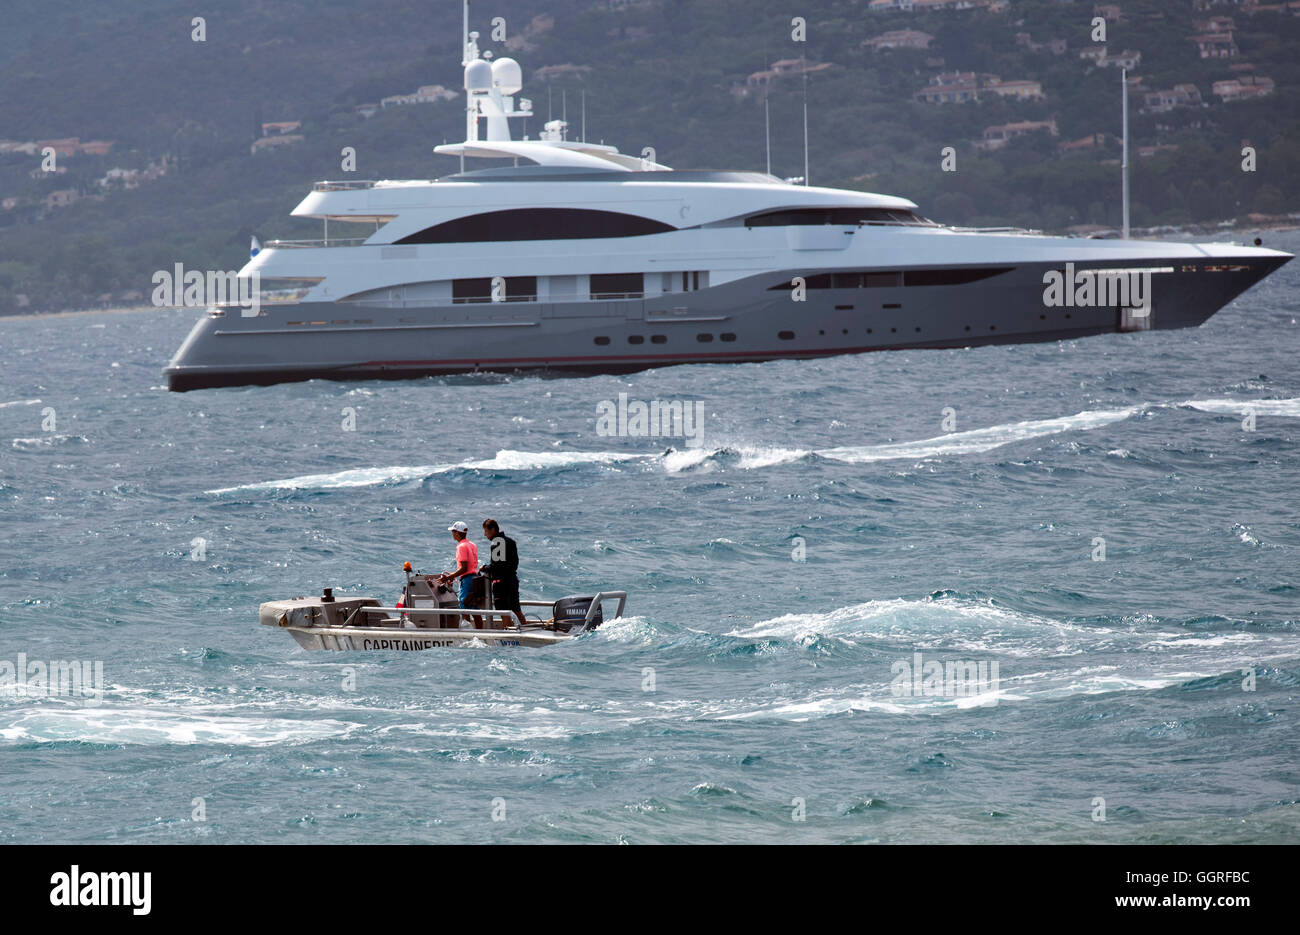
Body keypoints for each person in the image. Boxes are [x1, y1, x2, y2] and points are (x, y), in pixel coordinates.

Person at [480, 518, 525, 627]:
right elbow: (514, 563)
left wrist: (484, 568)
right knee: (516, 610)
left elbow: (497, 566)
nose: (485, 534)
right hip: (512, 579)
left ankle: (508, 636)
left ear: (493, 530)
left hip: (501, 583)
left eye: (486, 531)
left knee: (504, 613)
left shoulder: (497, 542)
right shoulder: (511, 541)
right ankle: (527, 631)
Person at [437, 521, 482, 628]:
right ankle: (481, 632)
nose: (452, 534)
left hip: (467, 580)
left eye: (453, 532)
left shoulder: (461, 546)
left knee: (464, 607)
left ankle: (468, 633)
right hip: (475, 579)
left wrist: (448, 577)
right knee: (475, 609)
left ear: (457, 533)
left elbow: (464, 568)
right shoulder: (472, 545)